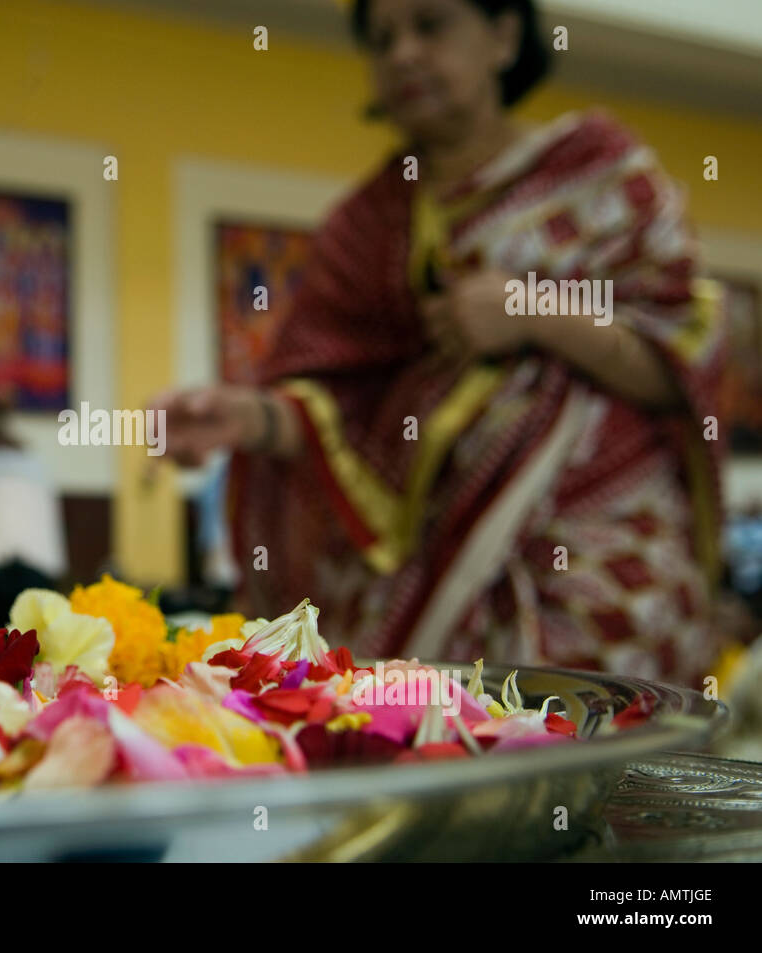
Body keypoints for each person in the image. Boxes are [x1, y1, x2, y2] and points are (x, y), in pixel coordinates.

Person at [154, 0, 726, 685]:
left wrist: (534, 310)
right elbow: (338, 406)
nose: (402, 55)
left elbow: (685, 357)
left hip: (605, 558)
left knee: (613, 762)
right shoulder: (366, 228)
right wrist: (249, 416)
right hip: (426, 581)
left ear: (505, 35)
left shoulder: (600, 173)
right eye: (382, 38)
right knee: (420, 747)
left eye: (430, 25)